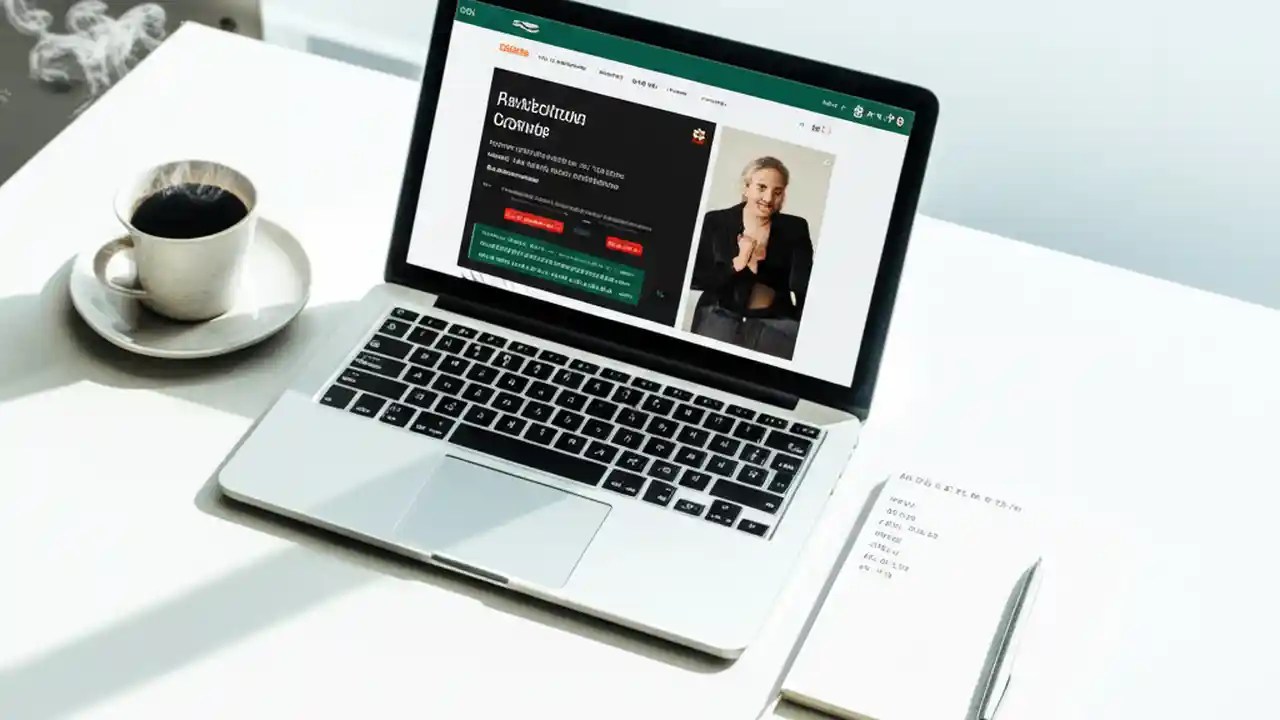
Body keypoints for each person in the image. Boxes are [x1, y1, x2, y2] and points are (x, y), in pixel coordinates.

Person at [690, 156, 814, 359]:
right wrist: (738, 262)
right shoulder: (716, 221)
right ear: (746, 188)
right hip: (720, 315)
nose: (768, 198)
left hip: (775, 323)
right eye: (762, 187)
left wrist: (806, 332)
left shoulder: (795, 228)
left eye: (777, 192)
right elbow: (697, 279)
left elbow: (803, 286)